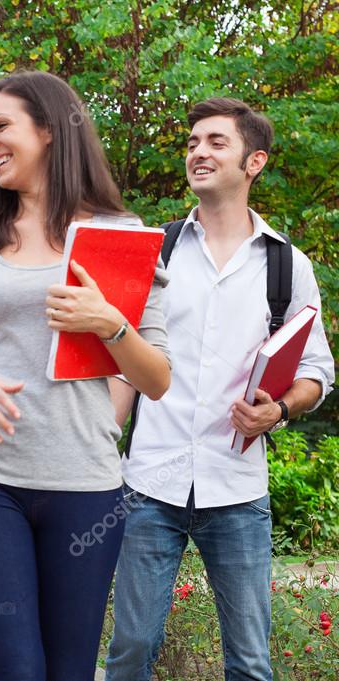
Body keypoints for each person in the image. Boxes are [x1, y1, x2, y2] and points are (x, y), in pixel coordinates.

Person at [0, 70, 172, 680]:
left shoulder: (122, 238)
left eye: (1, 126)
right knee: (15, 668)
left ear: (50, 130)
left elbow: (157, 378)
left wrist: (110, 323)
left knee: (69, 670)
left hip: (85, 486)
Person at [105, 97, 335, 681]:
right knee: (129, 653)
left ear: (253, 161)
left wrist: (279, 409)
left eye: (215, 142)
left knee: (251, 663)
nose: (198, 153)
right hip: (149, 486)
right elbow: (122, 363)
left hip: (236, 490)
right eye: (192, 143)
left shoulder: (288, 266)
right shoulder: (153, 252)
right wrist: (99, 440)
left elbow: (316, 370)